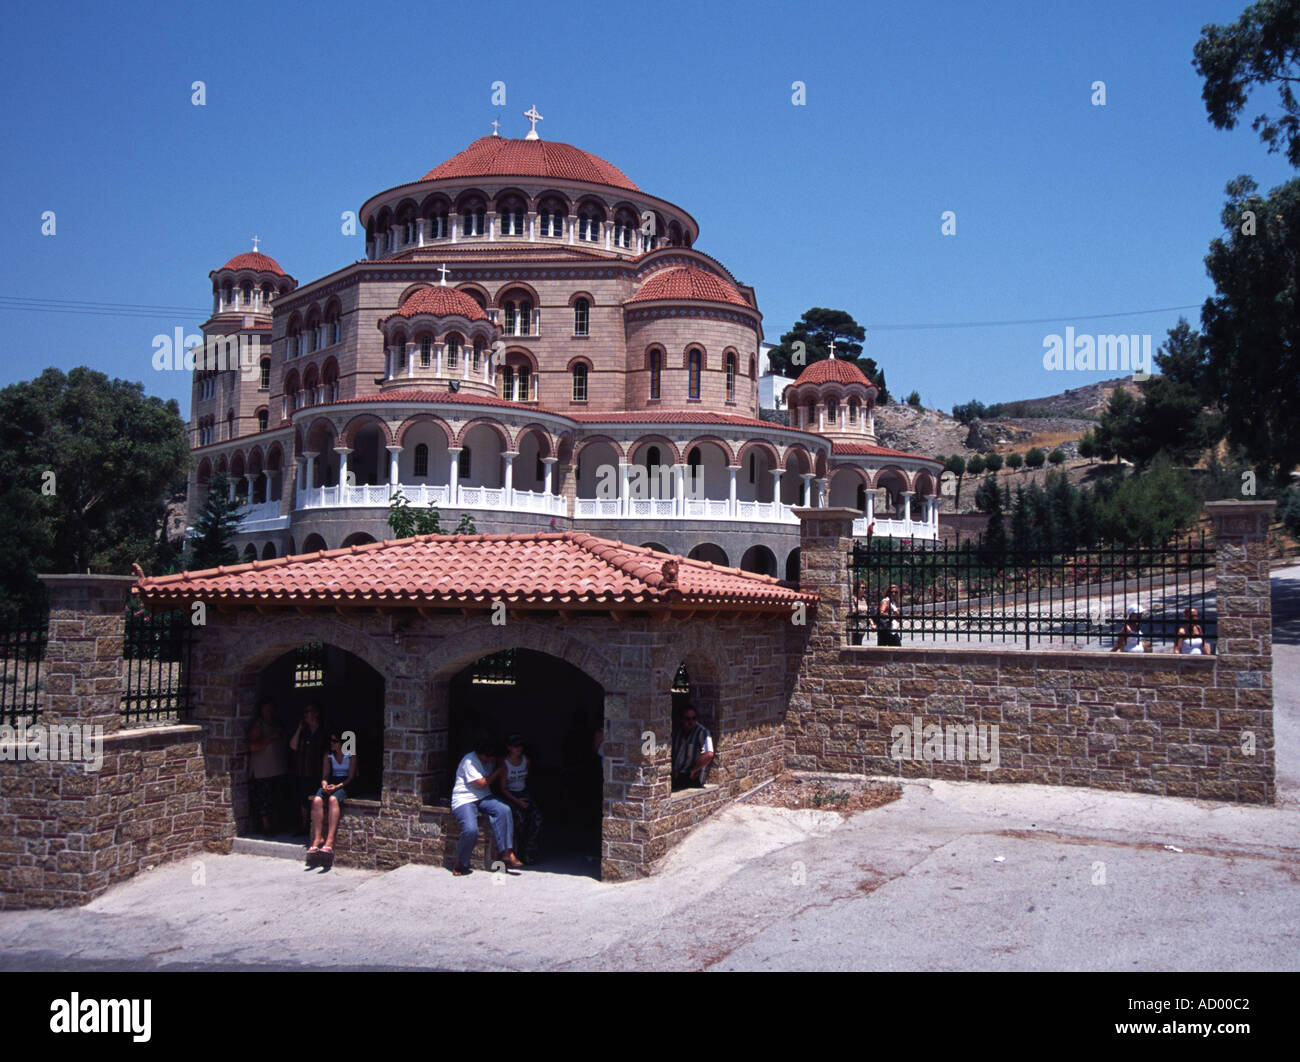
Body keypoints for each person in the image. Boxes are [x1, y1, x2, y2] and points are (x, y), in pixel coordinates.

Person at [450, 739, 523, 875]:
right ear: (480, 754)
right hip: (465, 799)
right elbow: (481, 784)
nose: (489, 760)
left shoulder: (492, 758)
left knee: (504, 810)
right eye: (487, 757)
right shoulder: (469, 761)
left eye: (492, 757)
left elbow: (506, 762)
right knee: (471, 830)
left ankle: (507, 852)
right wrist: (498, 771)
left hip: (483, 797)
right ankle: (460, 862)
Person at [308, 732, 356, 858]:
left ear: (342, 743)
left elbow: (350, 778)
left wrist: (337, 787)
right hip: (332, 781)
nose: (332, 744)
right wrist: (324, 785)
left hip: (344, 783)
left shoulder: (351, 756)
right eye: (331, 741)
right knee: (317, 800)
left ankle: (330, 840)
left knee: (333, 799)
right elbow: (325, 776)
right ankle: (318, 838)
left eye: (335, 741)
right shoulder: (328, 756)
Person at [498, 734, 543, 865]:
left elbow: (526, 778)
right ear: (509, 748)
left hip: (522, 792)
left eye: (520, 746)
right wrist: (517, 801)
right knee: (519, 819)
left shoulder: (526, 760)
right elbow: (503, 788)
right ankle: (515, 851)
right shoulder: (504, 763)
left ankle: (529, 851)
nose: (518, 749)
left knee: (537, 818)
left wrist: (525, 798)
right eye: (515, 746)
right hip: (510, 794)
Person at [247, 699, 288, 836]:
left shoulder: (278, 724)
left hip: (278, 769)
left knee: (277, 799)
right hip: (262, 771)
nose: (269, 712)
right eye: (266, 709)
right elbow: (252, 746)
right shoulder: (258, 725)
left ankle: (277, 825)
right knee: (264, 801)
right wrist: (270, 738)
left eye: (271, 709)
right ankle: (266, 827)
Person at [288, 704, 326, 836]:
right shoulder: (303, 732)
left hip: (318, 772)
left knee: (316, 800)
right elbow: (293, 745)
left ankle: (315, 829)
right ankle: (304, 826)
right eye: (304, 712)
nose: (305, 715)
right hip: (303, 771)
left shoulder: (323, 731)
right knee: (303, 800)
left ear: (316, 713)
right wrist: (299, 728)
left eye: (308, 712)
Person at [671, 706, 714, 791]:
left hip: (692, 777)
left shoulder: (702, 732)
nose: (691, 722)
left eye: (693, 718)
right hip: (677, 776)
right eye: (687, 719)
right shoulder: (677, 731)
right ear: (681, 719)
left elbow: (709, 754)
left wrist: (693, 770)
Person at [851, 580, 875, 645]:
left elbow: (868, 613)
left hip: (863, 627)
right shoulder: (853, 599)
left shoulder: (864, 600)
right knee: (854, 645)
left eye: (865, 588)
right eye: (862, 588)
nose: (864, 589)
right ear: (857, 588)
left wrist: (872, 624)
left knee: (859, 644)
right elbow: (851, 611)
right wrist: (856, 610)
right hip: (855, 627)